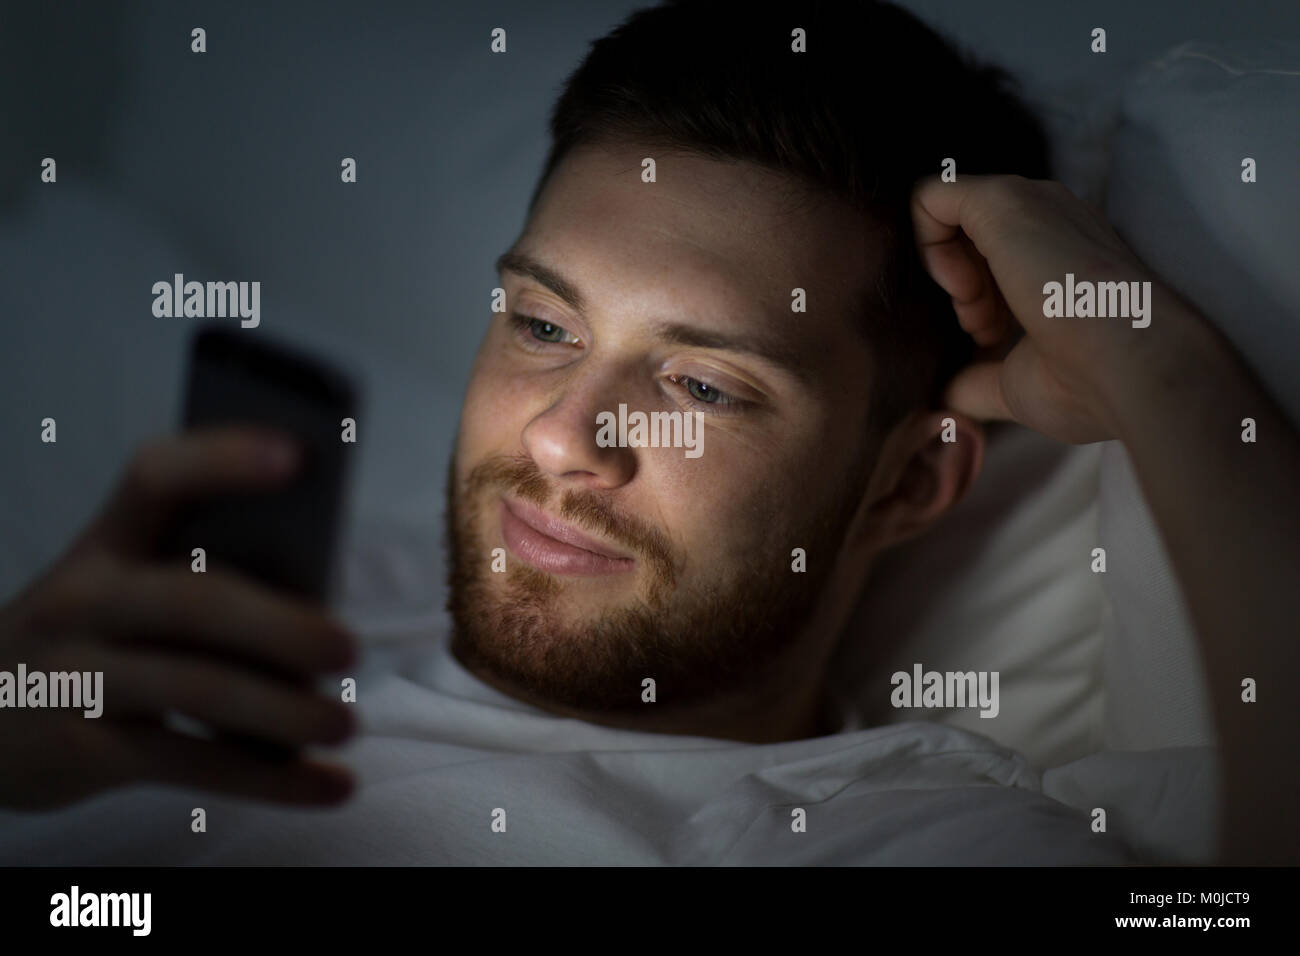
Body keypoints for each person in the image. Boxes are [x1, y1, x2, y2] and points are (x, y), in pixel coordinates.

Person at [1, 0, 1295, 864]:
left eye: (705, 387)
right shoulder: (285, 610)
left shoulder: (910, 836)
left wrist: (1165, 379)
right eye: (544, 326)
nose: (566, 441)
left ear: (904, 489)